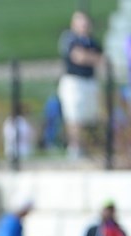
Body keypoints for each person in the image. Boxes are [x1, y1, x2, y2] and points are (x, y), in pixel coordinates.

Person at [57, 11, 103, 160]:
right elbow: (78, 56)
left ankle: (88, 146)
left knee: (90, 115)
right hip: (74, 81)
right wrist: (89, 57)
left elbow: (100, 58)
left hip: (89, 80)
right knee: (74, 115)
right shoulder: (69, 39)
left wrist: (87, 57)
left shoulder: (92, 41)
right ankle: (75, 148)